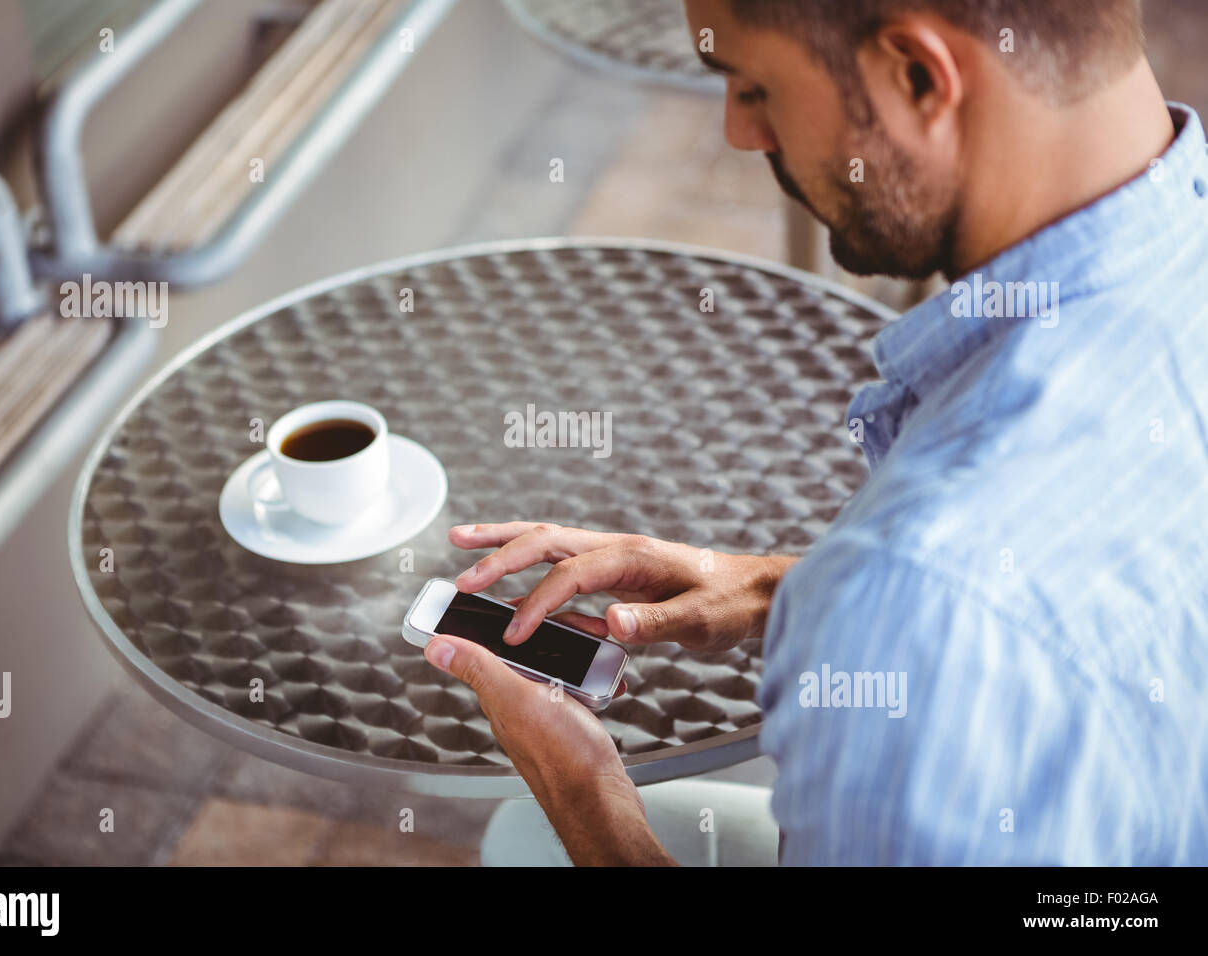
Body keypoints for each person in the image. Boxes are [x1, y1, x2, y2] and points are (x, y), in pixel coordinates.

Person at [423, 0, 1208, 865]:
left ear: (917, 75)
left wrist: (585, 797)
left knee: (523, 841)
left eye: (754, 86)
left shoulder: (916, 606)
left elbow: (952, 606)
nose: (739, 131)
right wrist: (770, 588)